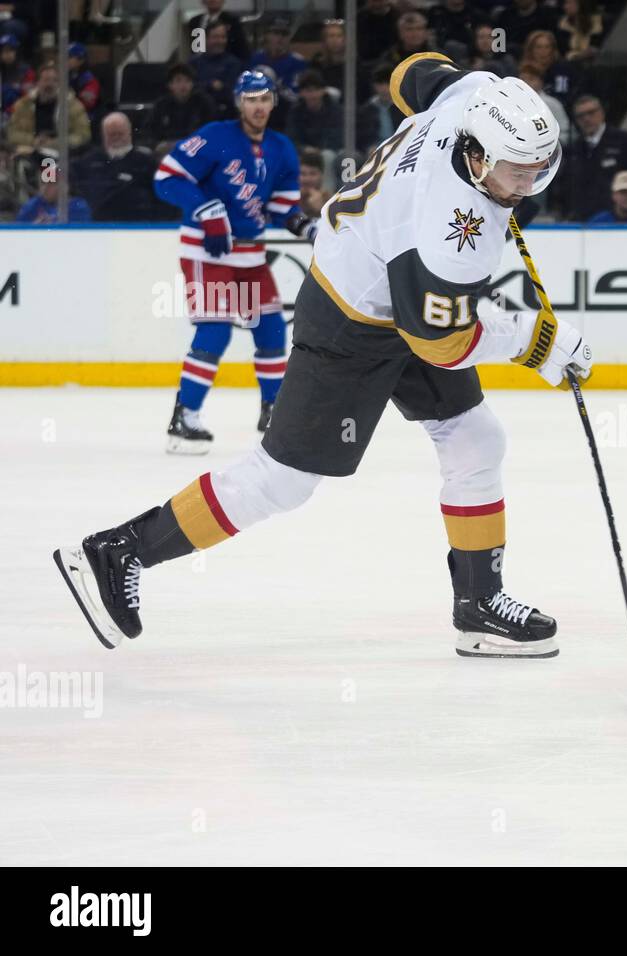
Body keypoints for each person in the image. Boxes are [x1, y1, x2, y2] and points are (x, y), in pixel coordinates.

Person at [56, 55, 591, 664]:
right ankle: (118, 551)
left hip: (390, 285)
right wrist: (537, 341)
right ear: (476, 154)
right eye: (516, 174)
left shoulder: (473, 96)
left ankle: (479, 605)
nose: (528, 186)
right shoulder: (447, 233)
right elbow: (441, 341)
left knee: (474, 438)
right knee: (282, 481)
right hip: (352, 320)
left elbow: (410, 73)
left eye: (538, 171)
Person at [152, 70, 312, 453]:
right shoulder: (215, 136)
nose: (258, 106)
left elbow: (281, 209)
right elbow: (167, 176)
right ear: (240, 102)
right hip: (207, 253)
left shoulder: (281, 147)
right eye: (251, 99)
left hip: (250, 254)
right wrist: (206, 211)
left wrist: (306, 226)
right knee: (215, 332)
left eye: (265, 98)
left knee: (272, 329)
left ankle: (272, 412)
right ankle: (184, 417)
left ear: (274, 102)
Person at [74, 111, 166, 221]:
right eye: (112, 134)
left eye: (120, 133)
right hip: (99, 226)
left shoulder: (146, 161)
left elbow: (161, 197)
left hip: (139, 225)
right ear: (103, 135)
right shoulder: (89, 161)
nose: (116, 137)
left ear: (129, 133)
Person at [555, 94, 627, 221]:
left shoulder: (626, 141)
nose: (586, 119)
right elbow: (563, 185)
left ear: (602, 113)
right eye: (581, 116)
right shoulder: (573, 149)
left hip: (616, 222)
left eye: (591, 113)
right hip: (580, 223)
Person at [6, 62, 91, 153]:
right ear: (37, 82)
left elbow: (83, 135)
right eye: (46, 80)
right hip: (30, 151)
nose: (50, 84)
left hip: (63, 153)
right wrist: (33, 140)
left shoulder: (73, 105)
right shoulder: (23, 105)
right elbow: (12, 133)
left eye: (55, 80)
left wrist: (55, 143)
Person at [147, 63, 215, 150]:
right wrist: (157, 144)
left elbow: (210, 129)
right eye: (178, 81)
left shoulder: (204, 102)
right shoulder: (161, 105)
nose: (183, 85)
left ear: (192, 84)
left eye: (187, 81)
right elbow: (149, 130)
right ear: (170, 85)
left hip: (195, 147)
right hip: (167, 148)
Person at [189, 22, 245, 119]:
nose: (219, 41)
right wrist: (211, 85)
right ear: (206, 39)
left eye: (223, 37)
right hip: (196, 115)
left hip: (225, 116)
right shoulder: (194, 63)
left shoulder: (234, 64)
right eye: (215, 37)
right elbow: (190, 89)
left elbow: (232, 93)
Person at [287, 69, 343, 151]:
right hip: (304, 153)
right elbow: (291, 137)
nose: (313, 95)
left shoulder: (335, 111)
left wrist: (319, 150)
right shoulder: (295, 112)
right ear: (301, 93)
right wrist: (304, 149)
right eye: (308, 91)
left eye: (316, 90)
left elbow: (337, 138)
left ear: (323, 91)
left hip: (329, 152)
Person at [251, 19, 306, 97]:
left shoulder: (298, 62)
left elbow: (299, 94)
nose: (280, 38)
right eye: (276, 33)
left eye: (284, 34)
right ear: (266, 36)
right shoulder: (255, 59)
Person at [15, 165, 90, 222]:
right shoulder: (34, 204)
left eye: (51, 183)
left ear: (66, 186)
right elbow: (17, 230)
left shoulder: (78, 207)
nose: (45, 187)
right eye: (43, 182)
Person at [186, 0, 251, 63]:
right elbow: (194, 49)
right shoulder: (195, 21)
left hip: (226, 67)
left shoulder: (232, 21)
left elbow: (242, 49)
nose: (213, 0)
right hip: (199, 66)